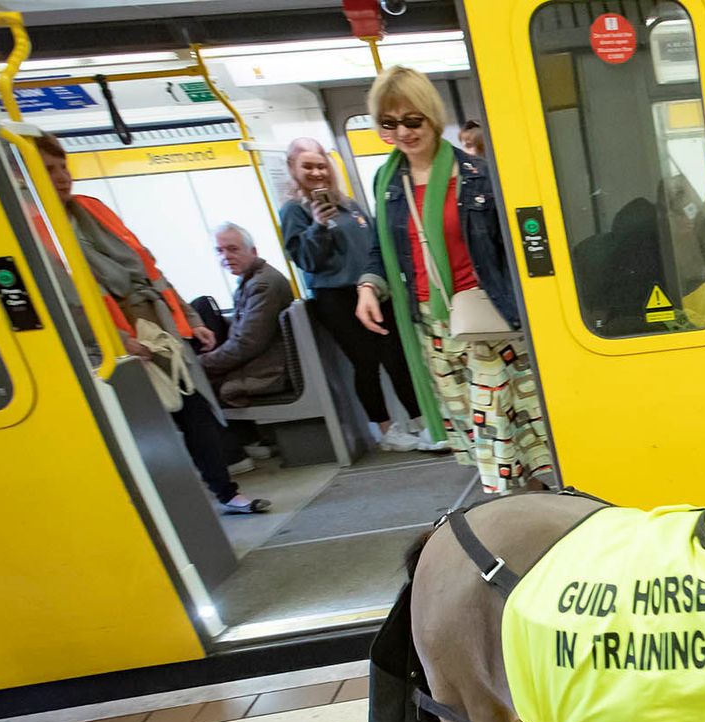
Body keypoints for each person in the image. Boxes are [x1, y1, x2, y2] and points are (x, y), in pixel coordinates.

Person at [37, 132, 269, 514]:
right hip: (110, 344)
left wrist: (191, 319)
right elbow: (68, 302)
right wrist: (118, 341)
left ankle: (226, 493)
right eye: (49, 169)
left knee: (196, 413)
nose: (62, 176)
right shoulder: (31, 233)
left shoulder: (92, 211)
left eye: (63, 166)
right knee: (148, 429)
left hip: (157, 328)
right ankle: (165, 510)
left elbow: (150, 270)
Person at [355, 66, 555, 493]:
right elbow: (380, 246)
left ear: (432, 116)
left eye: (413, 120)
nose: (403, 133)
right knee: (475, 424)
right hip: (430, 326)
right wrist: (368, 285)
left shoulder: (475, 176)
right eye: (389, 124)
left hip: (483, 316)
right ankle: (528, 502)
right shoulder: (388, 182)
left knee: (498, 423)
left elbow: (510, 251)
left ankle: (509, 508)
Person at [279, 137, 439, 451]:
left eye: (321, 165)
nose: (317, 173)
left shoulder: (348, 204)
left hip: (375, 290)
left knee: (398, 358)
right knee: (366, 362)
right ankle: (386, 430)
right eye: (308, 167)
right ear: (293, 170)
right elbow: (305, 259)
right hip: (337, 297)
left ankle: (422, 422)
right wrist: (317, 226)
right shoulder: (295, 211)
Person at [201, 224, 292, 408]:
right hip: (261, 363)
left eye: (233, 249)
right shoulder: (252, 280)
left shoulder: (262, 285)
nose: (225, 256)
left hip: (266, 371)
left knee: (193, 390)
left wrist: (200, 364)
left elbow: (247, 343)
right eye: (219, 251)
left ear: (253, 251)